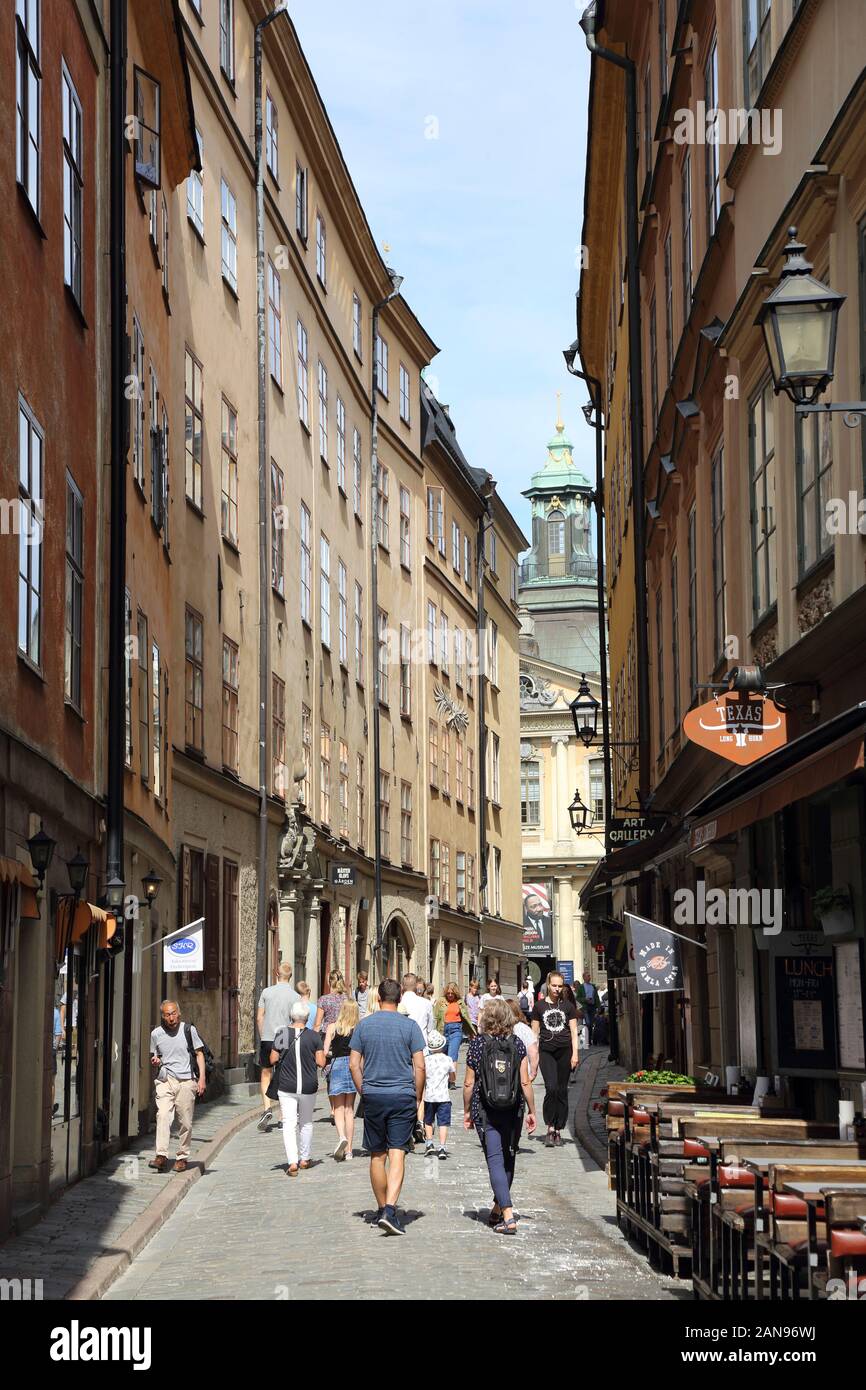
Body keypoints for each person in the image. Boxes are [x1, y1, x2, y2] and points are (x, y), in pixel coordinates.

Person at [349, 978, 425, 1236]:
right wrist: (417, 1096)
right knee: (397, 1153)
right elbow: (420, 1066)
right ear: (400, 998)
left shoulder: (364, 1025)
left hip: (373, 1095)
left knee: (376, 1154)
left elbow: (353, 1065)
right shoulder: (410, 1027)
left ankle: (383, 1209)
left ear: (378, 998)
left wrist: (364, 1090)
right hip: (402, 1095)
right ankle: (390, 1210)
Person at [463, 997, 536, 1233]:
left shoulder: (477, 1044)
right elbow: (525, 1081)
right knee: (508, 1157)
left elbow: (468, 1083)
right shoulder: (517, 1043)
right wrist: (533, 1111)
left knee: (494, 1159)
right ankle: (497, 1210)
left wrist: (466, 1111)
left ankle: (507, 1214)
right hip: (513, 1108)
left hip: (485, 1108)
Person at [148, 1000, 205, 1172]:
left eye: (173, 1013)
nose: (171, 1017)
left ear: (178, 1013)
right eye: (167, 1014)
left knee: (185, 1122)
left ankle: (182, 1156)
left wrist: (201, 1079)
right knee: (163, 1114)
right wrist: (155, 1060)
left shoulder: (189, 1030)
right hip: (166, 1079)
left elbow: (199, 1054)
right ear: (162, 1016)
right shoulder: (156, 1034)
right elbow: (155, 1055)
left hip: (187, 1081)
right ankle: (161, 1155)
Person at [271, 1002, 326, 1176]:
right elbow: (321, 1062)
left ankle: (292, 1161)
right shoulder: (314, 1036)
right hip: (308, 1085)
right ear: (307, 1017)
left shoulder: (282, 1033)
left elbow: (273, 1058)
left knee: (289, 1123)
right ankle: (305, 1158)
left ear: (291, 1016)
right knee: (306, 1121)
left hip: (287, 1085)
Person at [531, 972, 579, 1147]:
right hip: (547, 1052)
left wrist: (575, 1054)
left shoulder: (568, 1007)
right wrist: (533, 1059)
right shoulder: (539, 1007)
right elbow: (534, 1034)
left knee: (561, 1090)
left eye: (560, 986)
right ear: (548, 985)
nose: (557, 989)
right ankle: (550, 1126)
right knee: (551, 1088)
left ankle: (559, 1128)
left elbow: (574, 1032)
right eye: (554, 986)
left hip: (565, 1051)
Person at [256, 963, 300, 1132]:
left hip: (268, 1036)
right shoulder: (295, 996)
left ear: (276, 973)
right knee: (284, 1075)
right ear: (290, 976)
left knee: (266, 1072)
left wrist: (263, 1035)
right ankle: (283, 1115)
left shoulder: (266, 992)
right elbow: (296, 1020)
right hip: (285, 1036)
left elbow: (260, 1017)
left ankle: (267, 1108)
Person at [323, 1000, 360, 1160]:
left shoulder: (332, 1027)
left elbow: (325, 1052)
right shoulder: (357, 1029)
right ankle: (350, 1150)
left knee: (338, 1108)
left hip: (337, 1065)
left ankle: (341, 1138)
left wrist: (333, 1052)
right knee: (349, 1110)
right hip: (353, 1065)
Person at [423, 1030, 456, 1159]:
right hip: (443, 1096)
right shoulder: (447, 1059)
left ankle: (429, 1143)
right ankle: (442, 1147)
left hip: (430, 1096)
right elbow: (452, 1077)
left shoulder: (426, 1060)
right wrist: (449, 1078)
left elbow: (423, 1076)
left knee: (428, 1121)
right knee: (443, 1123)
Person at [433, 982, 476, 1071]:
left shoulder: (460, 1002)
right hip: (443, 1030)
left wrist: (471, 1033)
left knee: (452, 1055)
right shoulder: (441, 1001)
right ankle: (444, 1079)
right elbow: (435, 1016)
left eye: (452, 993)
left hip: (456, 1030)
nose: (450, 995)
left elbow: (466, 1018)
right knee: (442, 1056)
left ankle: (452, 1081)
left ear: (455, 993)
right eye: (448, 993)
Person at [506, 998, 539, 1080]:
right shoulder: (524, 1029)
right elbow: (534, 1052)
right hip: (522, 1075)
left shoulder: (498, 1028)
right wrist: (533, 1073)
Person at [576, 970, 599, 1037]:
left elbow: (596, 997)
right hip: (585, 1007)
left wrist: (598, 1006)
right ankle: (586, 1036)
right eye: (588, 976)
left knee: (591, 1024)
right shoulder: (581, 987)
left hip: (592, 1006)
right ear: (584, 977)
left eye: (589, 976)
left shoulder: (593, 986)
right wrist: (585, 999)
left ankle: (589, 1038)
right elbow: (578, 998)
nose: (589, 977)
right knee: (588, 1023)